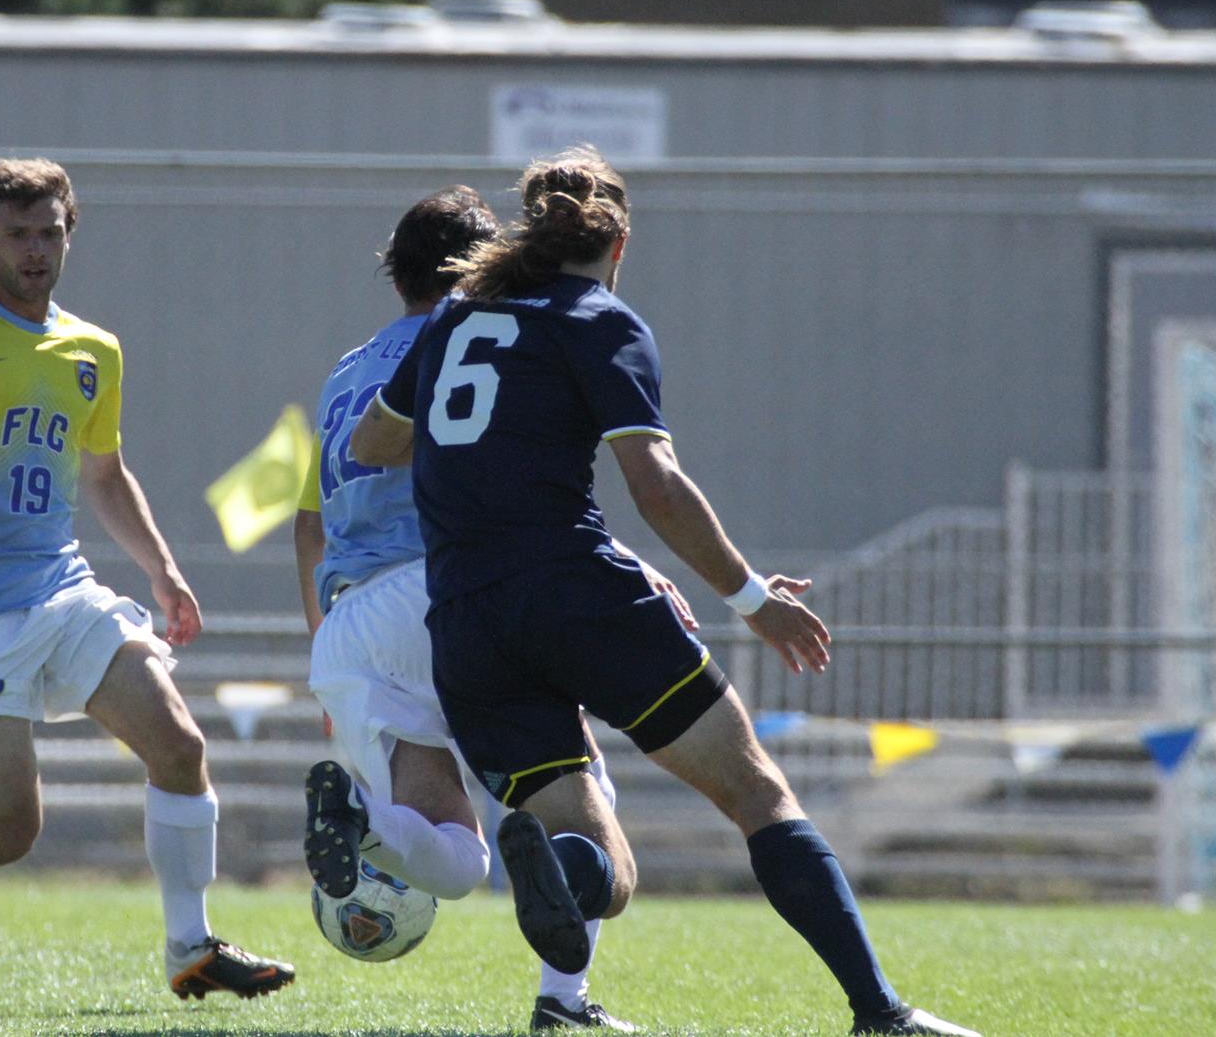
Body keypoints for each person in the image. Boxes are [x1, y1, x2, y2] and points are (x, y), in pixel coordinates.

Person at [351, 148, 980, 1037]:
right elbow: (657, 484)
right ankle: (880, 1011)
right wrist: (753, 596)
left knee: (602, 860)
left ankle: (563, 887)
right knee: (758, 793)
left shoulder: (455, 321)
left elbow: (376, 444)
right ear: (619, 242)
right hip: (574, 591)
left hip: (465, 621)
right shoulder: (601, 319)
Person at [0, 157, 294, 1010]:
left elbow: (106, 474)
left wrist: (162, 569)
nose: (36, 249)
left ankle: (191, 946)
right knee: (11, 826)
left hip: (63, 589)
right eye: (17, 234)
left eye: (50, 232)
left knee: (180, 743)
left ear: (69, 234)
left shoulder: (94, 348)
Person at [295, 185, 655, 1031]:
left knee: (453, 856)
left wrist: (327, 651)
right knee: (583, 801)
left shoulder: (345, 370)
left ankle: (366, 825)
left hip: (349, 624)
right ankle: (563, 1001)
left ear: (398, 274)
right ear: (476, 267)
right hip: (451, 590)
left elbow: (309, 525)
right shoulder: (479, 342)